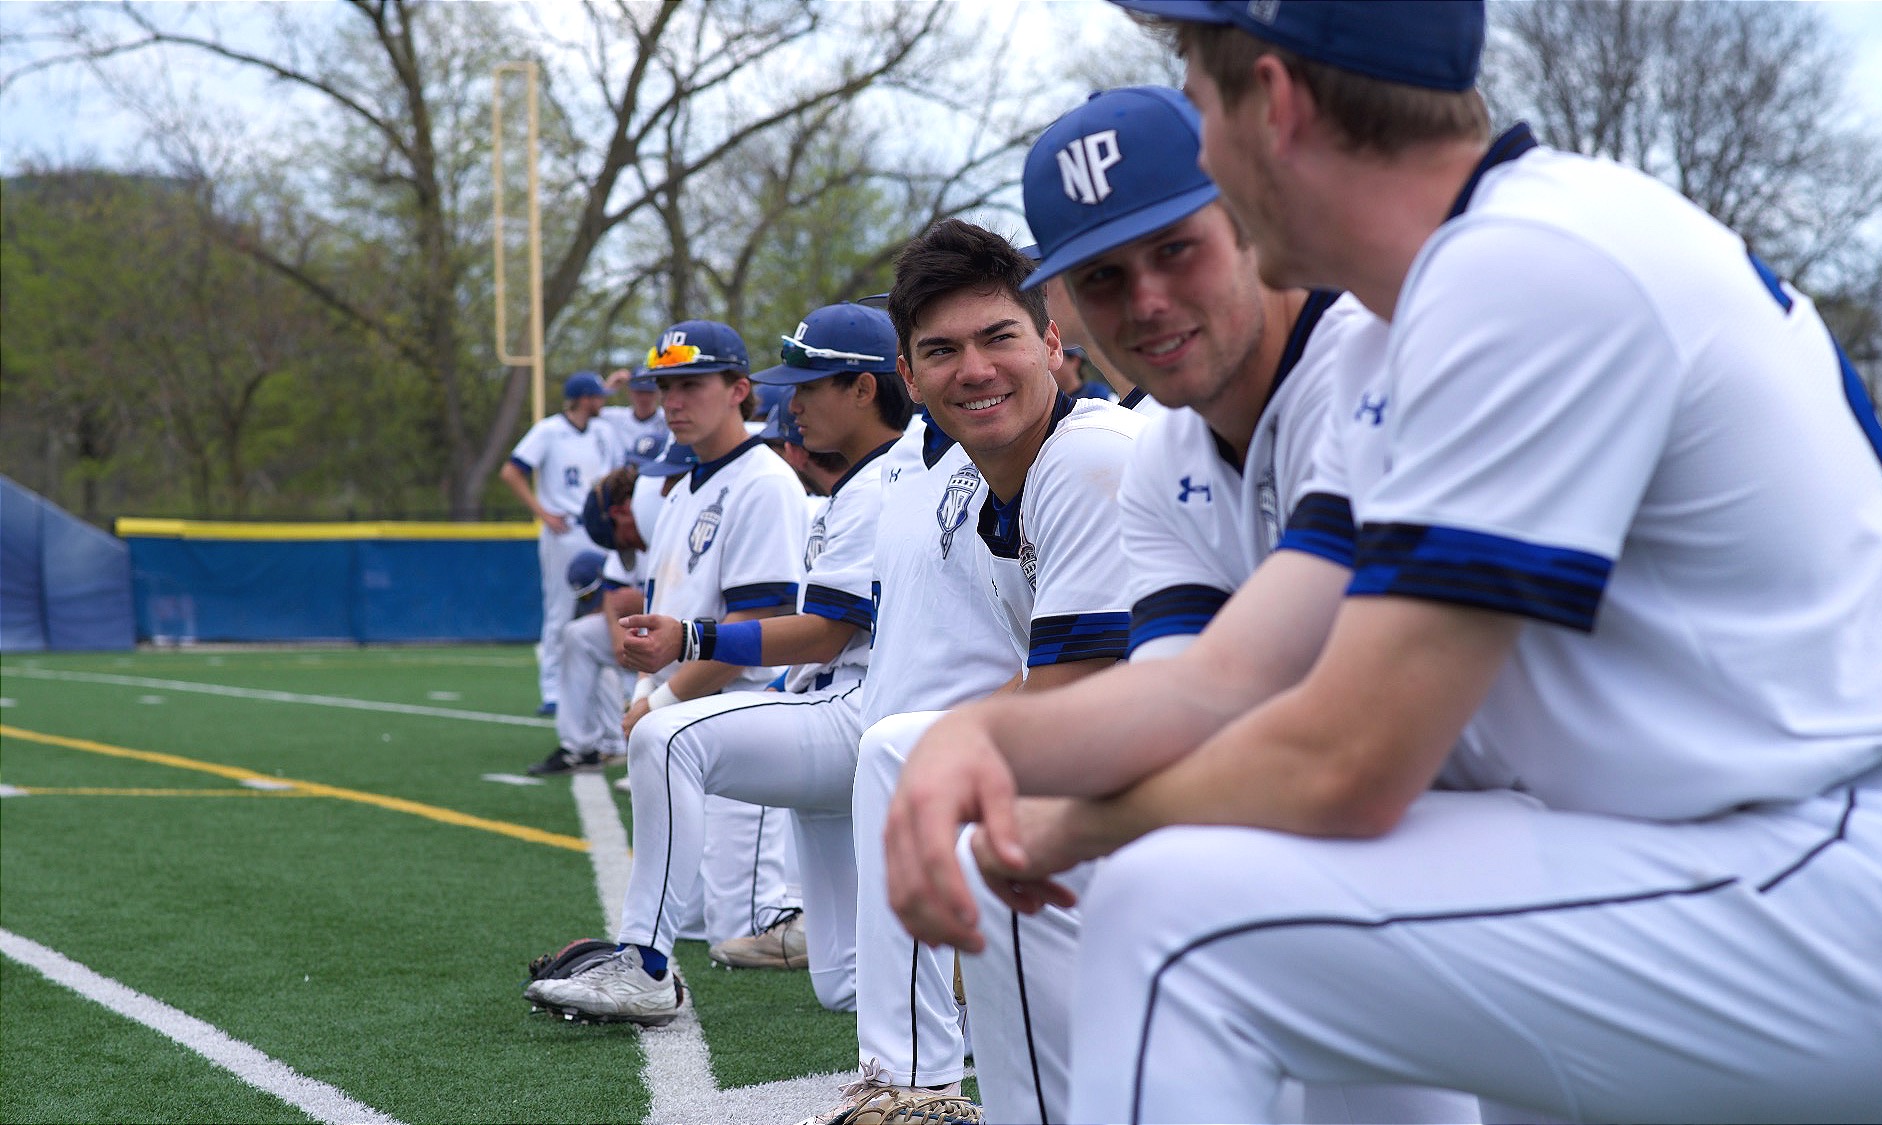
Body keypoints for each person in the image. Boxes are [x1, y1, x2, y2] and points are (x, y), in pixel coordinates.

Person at [895, 3, 1882, 1121]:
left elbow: (1346, 763)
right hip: (1731, 857)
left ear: (1271, 103)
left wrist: (1079, 822)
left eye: (1196, 89)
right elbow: (1226, 678)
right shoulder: (1425, 306)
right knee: (1263, 899)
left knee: (1176, 918)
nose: (1197, 131)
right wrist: (979, 738)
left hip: (1874, 877)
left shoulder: (1523, 267)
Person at [886, 85, 1477, 1125]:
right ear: (1067, 302)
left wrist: (1055, 811)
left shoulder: (1384, 363)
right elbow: (1186, 695)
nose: (1146, 299)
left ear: (1246, 222)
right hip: (1446, 846)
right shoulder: (1163, 448)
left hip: (1683, 834)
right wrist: (980, 760)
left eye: (1177, 249)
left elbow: (1341, 756)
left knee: (1171, 896)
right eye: (1104, 274)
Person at [803, 220, 1146, 1125]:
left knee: (985, 834)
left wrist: (957, 769)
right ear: (909, 379)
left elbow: (1081, 694)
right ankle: (912, 1079)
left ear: (1051, 342)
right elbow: (1054, 677)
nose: (976, 368)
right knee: (895, 751)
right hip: (1162, 745)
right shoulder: (998, 477)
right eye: (942, 351)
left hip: (1232, 774)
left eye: (999, 337)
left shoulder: (1088, 456)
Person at [524, 303, 913, 1019]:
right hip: (832, 707)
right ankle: (980, 998)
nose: (790, 403)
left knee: (666, 739)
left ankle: (643, 963)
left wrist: (686, 652)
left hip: (856, 707)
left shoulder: (884, 476)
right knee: (847, 985)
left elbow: (821, 633)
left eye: (809, 384)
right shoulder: (861, 478)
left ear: (864, 386)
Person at [526, 437, 699, 777]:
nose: (626, 546)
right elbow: (613, 596)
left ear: (622, 512)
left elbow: (654, 601)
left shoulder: (668, 510)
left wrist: (635, 610)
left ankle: (664, 749)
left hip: (696, 635)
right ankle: (579, 748)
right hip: (661, 630)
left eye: (618, 538)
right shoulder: (636, 527)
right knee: (578, 635)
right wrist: (620, 640)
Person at [500, 371, 619, 714]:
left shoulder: (603, 431)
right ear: (583, 398)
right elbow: (512, 471)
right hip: (564, 529)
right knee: (561, 609)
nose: (602, 403)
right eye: (597, 396)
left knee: (608, 604)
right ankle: (552, 689)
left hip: (599, 526)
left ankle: (605, 689)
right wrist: (542, 512)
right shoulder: (549, 430)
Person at [599, 369, 671, 451]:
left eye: (649, 392)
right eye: (639, 392)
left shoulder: (668, 417)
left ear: (658, 392)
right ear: (630, 392)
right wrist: (606, 390)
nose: (644, 398)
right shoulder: (616, 417)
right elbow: (586, 411)